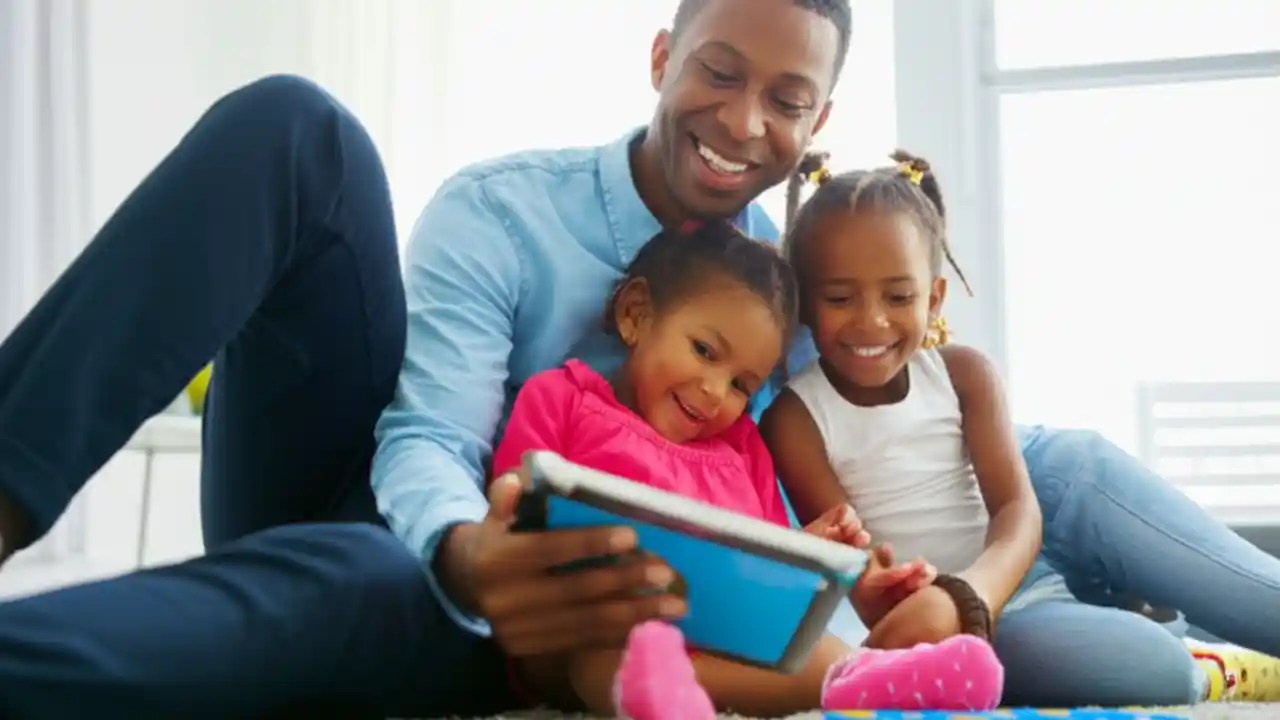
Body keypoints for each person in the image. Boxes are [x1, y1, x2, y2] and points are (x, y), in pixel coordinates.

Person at [0, 0, 1275, 716]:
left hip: (496, 599)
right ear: (662, 59)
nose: (742, 121)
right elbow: (428, 436)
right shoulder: (504, 211)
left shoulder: (782, 289)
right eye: (716, 72)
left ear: (816, 121)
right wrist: (462, 551)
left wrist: (912, 575)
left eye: (786, 101)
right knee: (298, 127)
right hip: (409, 520)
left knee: (1068, 510)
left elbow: (828, 452)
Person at [762, 150, 1280, 707]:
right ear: (805, 304)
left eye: (899, 296)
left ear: (933, 298)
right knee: (1155, 669)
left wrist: (968, 595)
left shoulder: (964, 374)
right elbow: (853, 558)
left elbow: (1017, 509)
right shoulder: (794, 418)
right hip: (967, 625)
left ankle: (1171, 623)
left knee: (1229, 606)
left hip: (1013, 584)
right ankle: (1200, 656)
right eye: (840, 298)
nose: (872, 320)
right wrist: (877, 586)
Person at [487, 221, 1003, 717]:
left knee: (820, 648)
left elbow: (771, 568)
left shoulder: (741, 448)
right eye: (704, 351)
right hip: (591, 633)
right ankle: (845, 685)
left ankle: (866, 682)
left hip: (721, 646)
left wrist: (815, 558)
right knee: (612, 656)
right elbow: (514, 509)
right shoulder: (564, 400)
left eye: (742, 386)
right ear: (636, 314)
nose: (715, 392)